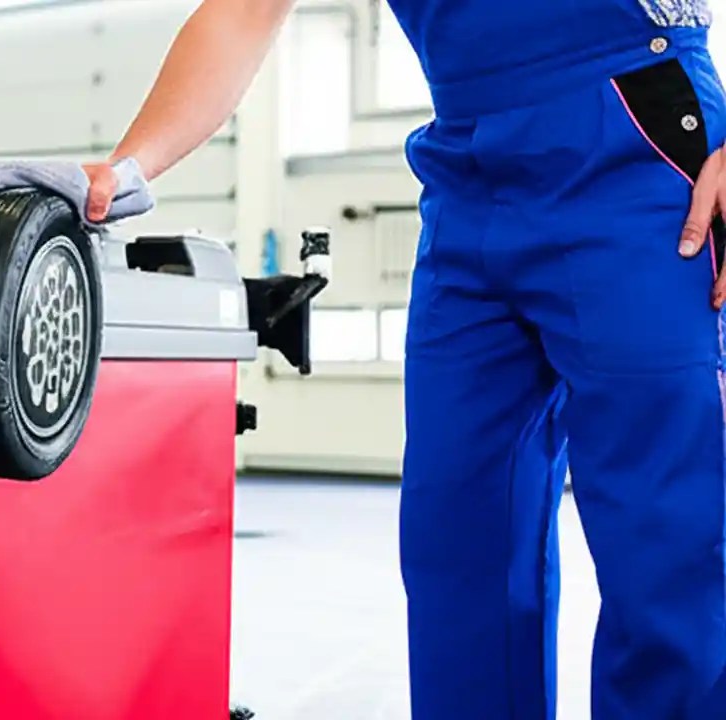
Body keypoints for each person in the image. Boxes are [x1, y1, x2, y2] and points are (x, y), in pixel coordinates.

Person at [78, 0, 726, 717]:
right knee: (460, 554)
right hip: (467, 178)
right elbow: (242, 11)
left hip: (638, 153)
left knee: (672, 551)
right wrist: (127, 168)